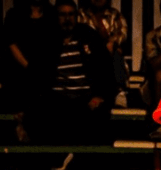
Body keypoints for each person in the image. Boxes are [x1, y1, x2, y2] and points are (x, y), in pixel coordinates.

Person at [21, 0, 117, 145]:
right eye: (63, 15)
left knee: (98, 115)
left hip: (85, 98)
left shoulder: (89, 36)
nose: (67, 19)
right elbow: (35, 74)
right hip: (57, 99)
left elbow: (106, 70)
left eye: (71, 14)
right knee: (38, 114)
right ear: (56, 17)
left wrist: (99, 95)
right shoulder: (47, 40)